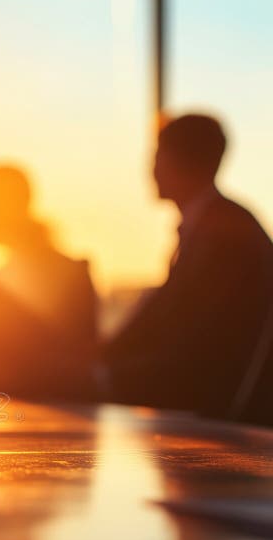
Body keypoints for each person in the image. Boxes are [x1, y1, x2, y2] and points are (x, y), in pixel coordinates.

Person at [104, 114, 273, 417]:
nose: (151, 169)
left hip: (214, 420)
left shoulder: (225, 234)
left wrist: (104, 376)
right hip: (205, 408)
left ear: (177, 160)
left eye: (157, 155)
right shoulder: (221, 223)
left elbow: (198, 350)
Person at [0, 165, 98, 398]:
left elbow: (31, 366)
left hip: (43, 411)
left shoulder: (2, 283)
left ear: (6, 209)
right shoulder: (72, 271)